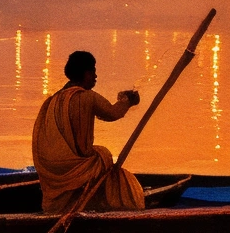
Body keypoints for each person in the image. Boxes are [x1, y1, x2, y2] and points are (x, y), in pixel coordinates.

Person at [31, 50, 145, 215]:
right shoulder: (87, 97)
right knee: (104, 155)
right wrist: (127, 100)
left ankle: (82, 198)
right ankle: (97, 201)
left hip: (52, 167)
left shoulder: (53, 99)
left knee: (98, 155)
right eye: (93, 72)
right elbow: (113, 113)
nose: (95, 77)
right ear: (86, 73)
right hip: (75, 165)